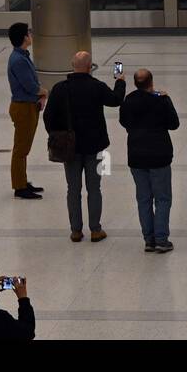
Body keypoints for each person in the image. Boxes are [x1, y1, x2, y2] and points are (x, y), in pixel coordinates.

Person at [43, 52, 125, 243]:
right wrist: (120, 80)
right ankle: (95, 230)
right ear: (90, 67)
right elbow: (116, 99)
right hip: (94, 146)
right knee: (94, 188)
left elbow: (48, 117)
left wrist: (57, 135)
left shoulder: (60, 89)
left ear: (72, 66)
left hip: (69, 148)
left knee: (73, 189)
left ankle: (76, 231)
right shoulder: (96, 87)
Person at [119, 69, 180, 254]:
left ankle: (149, 239)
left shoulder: (129, 100)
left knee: (144, 199)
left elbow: (123, 122)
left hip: (137, 156)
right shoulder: (160, 99)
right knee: (162, 198)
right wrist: (166, 98)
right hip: (159, 155)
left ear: (135, 83)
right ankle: (162, 239)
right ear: (151, 82)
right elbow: (174, 124)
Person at [6, 22, 46, 200]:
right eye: (28, 32)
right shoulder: (19, 60)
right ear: (24, 37)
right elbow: (30, 86)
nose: (31, 34)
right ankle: (19, 187)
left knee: (24, 148)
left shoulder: (21, 56)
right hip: (23, 107)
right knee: (21, 149)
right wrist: (45, 92)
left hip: (28, 105)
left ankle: (22, 181)